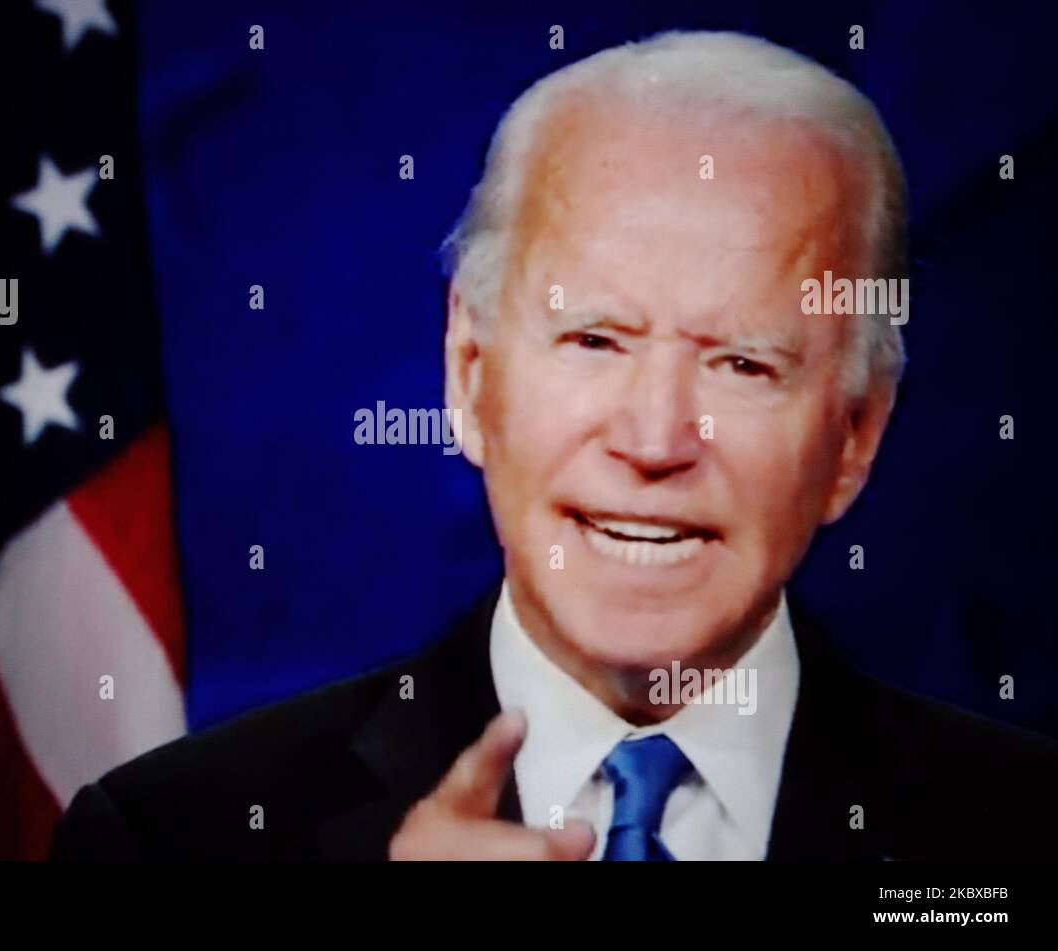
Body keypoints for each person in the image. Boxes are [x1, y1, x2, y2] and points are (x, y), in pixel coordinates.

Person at [52, 31, 1058, 861]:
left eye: (745, 364)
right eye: (593, 340)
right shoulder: (167, 842)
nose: (655, 439)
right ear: (470, 374)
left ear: (853, 434)